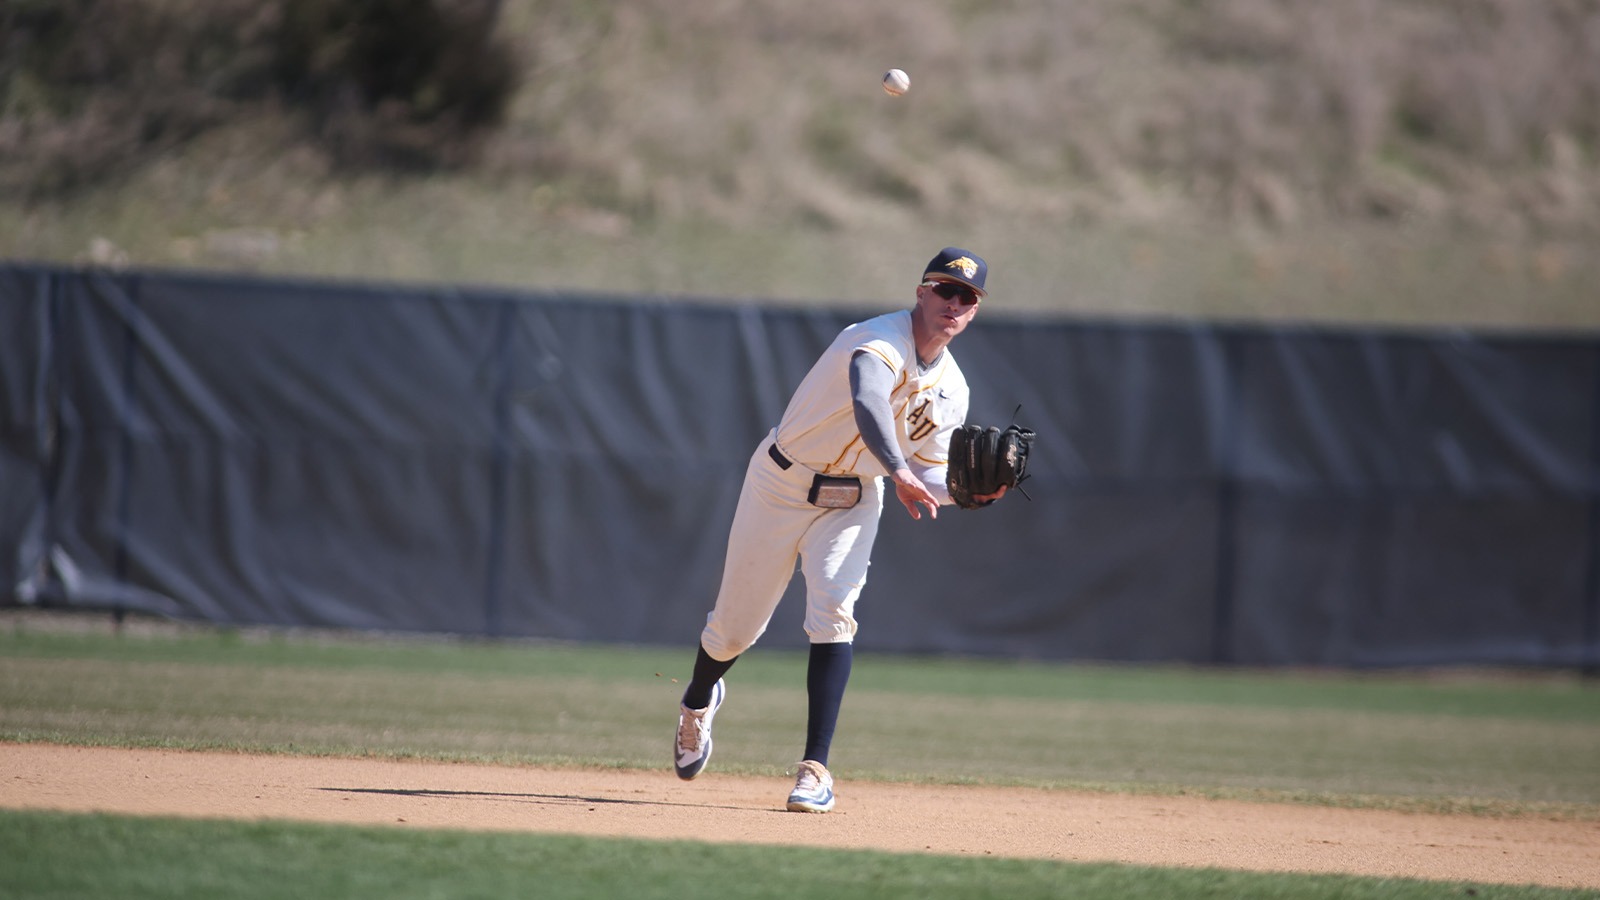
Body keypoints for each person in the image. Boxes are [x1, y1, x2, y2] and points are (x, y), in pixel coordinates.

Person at [673, 247, 1011, 813]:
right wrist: (899, 470)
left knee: (834, 613)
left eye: (967, 297)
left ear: (974, 311)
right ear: (921, 292)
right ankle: (698, 700)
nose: (954, 302)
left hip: (855, 496)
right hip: (781, 482)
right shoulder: (876, 339)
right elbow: (868, 400)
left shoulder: (954, 389)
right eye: (945, 289)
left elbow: (929, 471)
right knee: (733, 630)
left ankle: (814, 769)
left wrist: (969, 493)